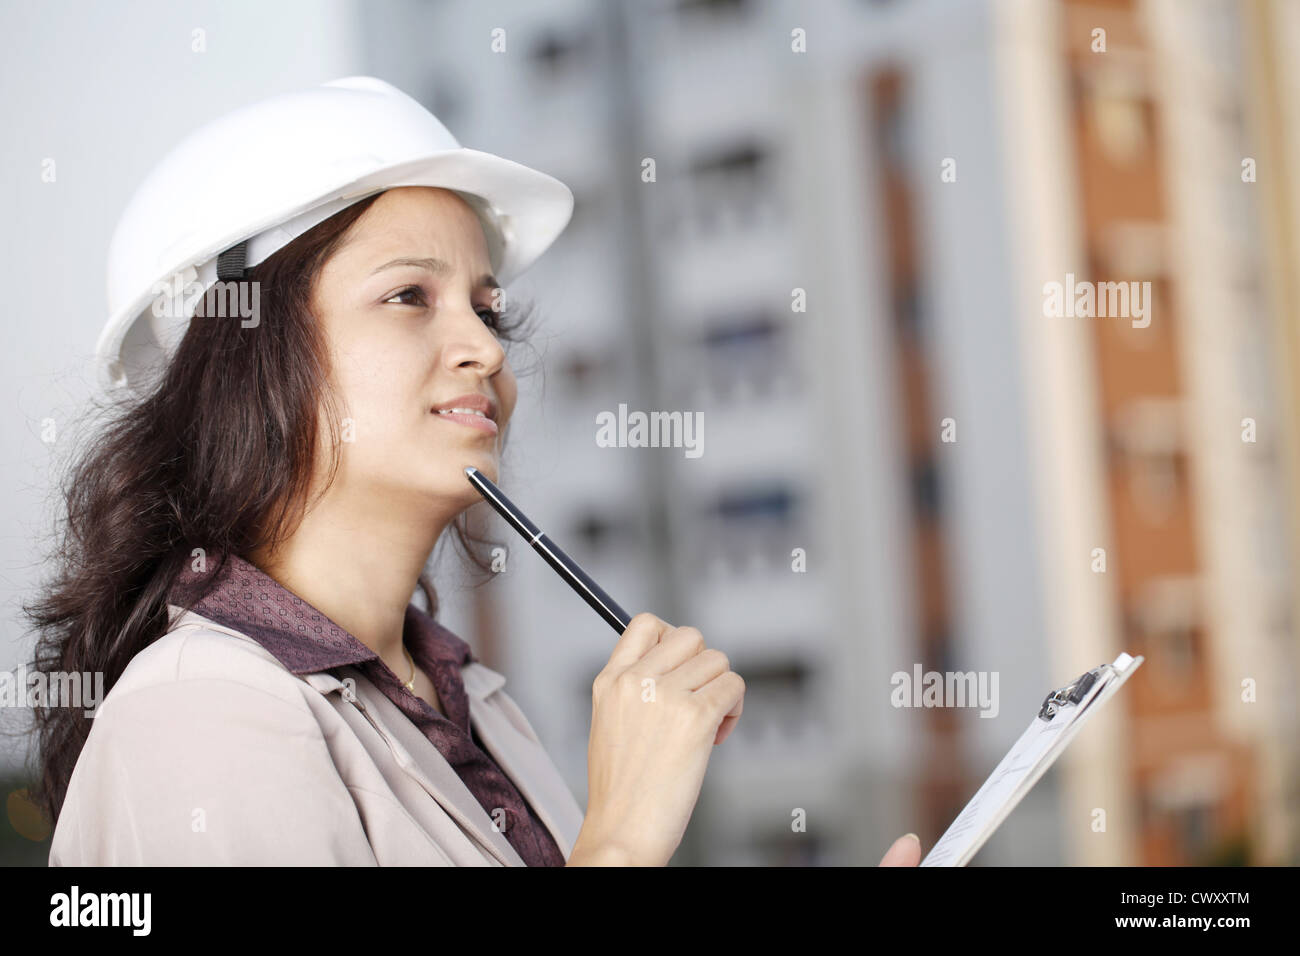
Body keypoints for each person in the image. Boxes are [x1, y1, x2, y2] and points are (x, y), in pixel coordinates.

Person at [25, 76, 919, 866]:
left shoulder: (473, 705)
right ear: (242, 361)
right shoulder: (200, 711)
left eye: (488, 309)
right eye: (409, 295)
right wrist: (617, 841)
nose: (484, 346)